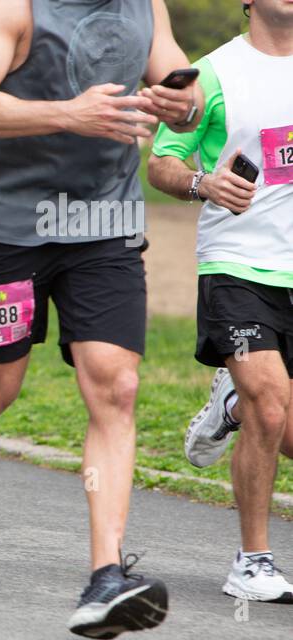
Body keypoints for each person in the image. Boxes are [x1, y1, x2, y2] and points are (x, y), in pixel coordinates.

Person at [0, 0, 203, 640]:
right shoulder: (11, 6)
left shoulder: (146, 4)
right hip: (10, 229)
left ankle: (106, 577)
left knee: (115, 385)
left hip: (105, 227)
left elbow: (180, 80)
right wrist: (69, 114)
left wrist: (184, 103)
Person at [148, 0, 293, 604]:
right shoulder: (209, 77)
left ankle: (229, 404)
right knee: (272, 400)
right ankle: (251, 561)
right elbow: (161, 163)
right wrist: (202, 184)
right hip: (236, 267)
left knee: (278, 421)